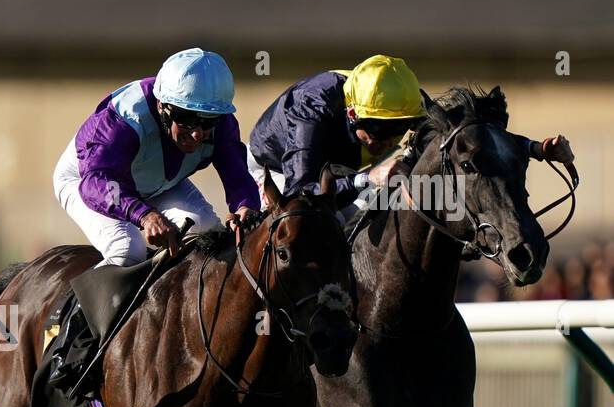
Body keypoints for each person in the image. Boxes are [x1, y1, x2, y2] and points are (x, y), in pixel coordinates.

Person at [247, 54, 575, 218]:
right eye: (379, 128)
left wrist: (537, 148)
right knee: (316, 231)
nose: (389, 140)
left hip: (340, 172)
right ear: (351, 113)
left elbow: (466, 138)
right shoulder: (312, 106)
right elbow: (302, 194)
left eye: (399, 127)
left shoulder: (406, 103)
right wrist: (367, 179)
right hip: (276, 173)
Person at [52, 47, 260, 270]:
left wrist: (245, 206)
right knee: (127, 250)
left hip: (158, 183)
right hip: (91, 180)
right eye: (186, 118)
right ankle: (80, 305)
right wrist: (144, 215)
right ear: (162, 106)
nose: (197, 133)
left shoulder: (223, 124)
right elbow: (98, 181)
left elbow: (237, 175)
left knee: (206, 231)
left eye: (209, 120)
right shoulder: (125, 118)